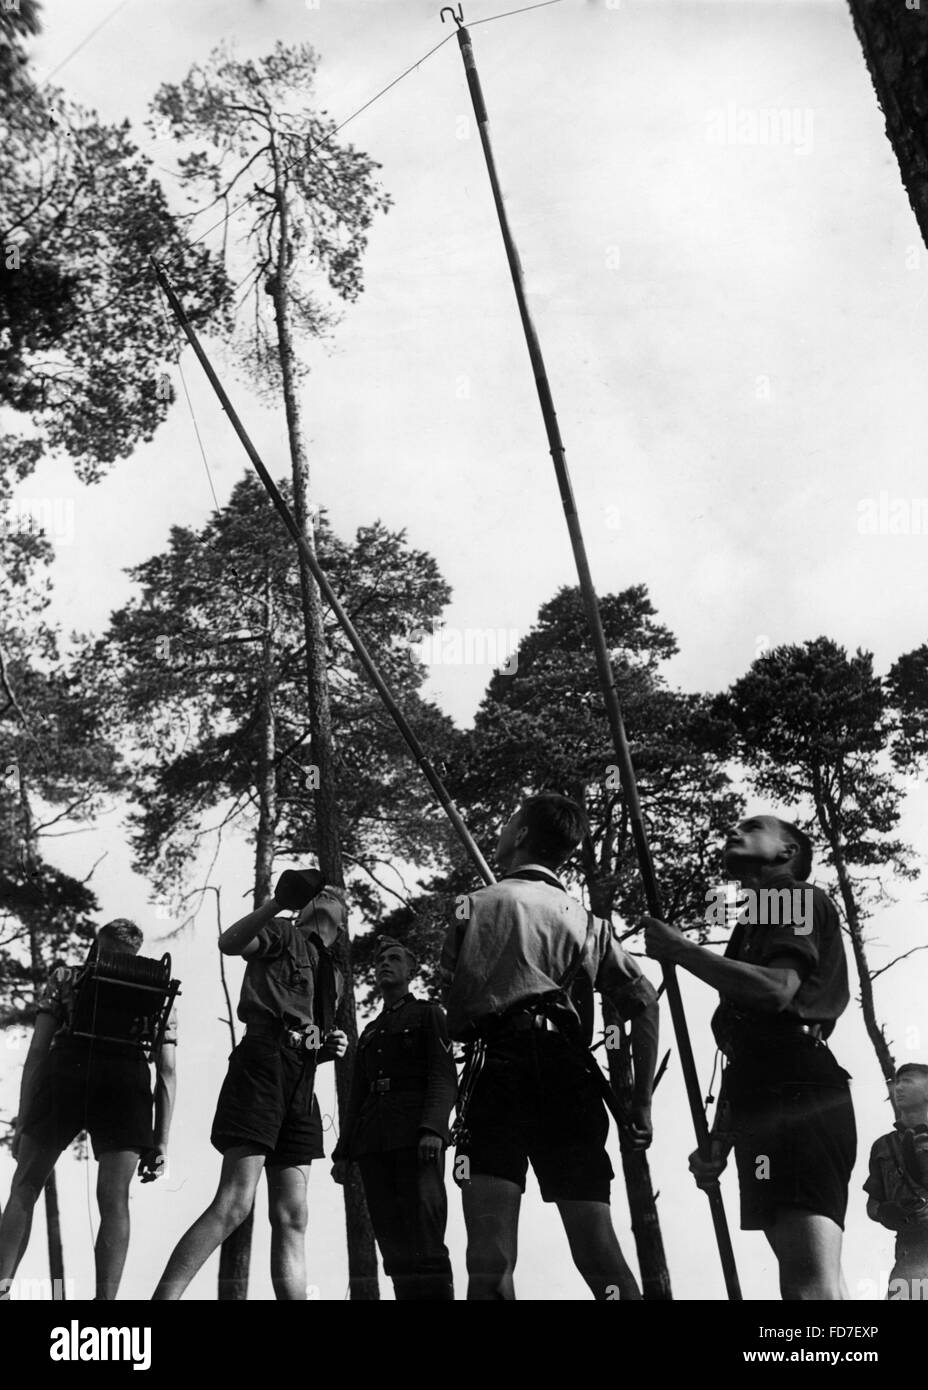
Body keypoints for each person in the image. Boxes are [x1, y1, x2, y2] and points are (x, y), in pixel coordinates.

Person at [441, 792, 659, 1301]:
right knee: (598, 1250)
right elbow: (644, 1004)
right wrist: (641, 1101)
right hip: (569, 1075)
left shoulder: (472, 905)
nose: (499, 832)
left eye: (507, 822)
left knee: (490, 1258)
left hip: (496, 1069)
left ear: (519, 836)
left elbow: (454, 1011)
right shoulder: (589, 923)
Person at [645, 813, 856, 1300]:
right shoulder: (757, 917)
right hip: (768, 1088)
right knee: (807, 1276)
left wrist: (682, 951)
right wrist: (720, 1142)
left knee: (808, 1285)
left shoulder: (794, 897)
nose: (734, 831)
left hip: (796, 1089)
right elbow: (751, 1047)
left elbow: (777, 992)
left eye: (754, 827)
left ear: (788, 853)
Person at [152, 871, 349, 1301]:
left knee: (294, 1215)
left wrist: (329, 1044)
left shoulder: (334, 975)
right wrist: (277, 903)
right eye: (321, 895)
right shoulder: (281, 931)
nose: (327, 898)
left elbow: (309, 1030)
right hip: (262, 1064)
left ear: (342, 918)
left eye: (333, 896)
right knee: (235, 1203)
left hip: (302, 1080)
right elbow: (230, 943)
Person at [0, 918, 178, 1301]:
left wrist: (24, 1117)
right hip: (127, 1082)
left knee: (26, 1186)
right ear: (136, 951)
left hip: (67, 1070)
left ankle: (0, 1290)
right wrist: (160, 1142)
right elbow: (166, 1070)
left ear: (98, 945)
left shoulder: (67, 977)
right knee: (114, 1200)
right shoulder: (157, 990)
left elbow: (36, 1052)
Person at [332, 936, 456, 1300]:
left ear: (410, 970)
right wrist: (344, 1152)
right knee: (393, 1248)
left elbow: (443, 1075)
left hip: (417, 1141)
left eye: (394, 958)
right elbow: (357, 1095)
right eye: (380, 960)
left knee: (426, 1243)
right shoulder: (370, 1031)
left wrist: (434, 1129)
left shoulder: (428, 1014)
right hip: (374, 1146)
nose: (385, 963)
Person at [864, 1062, 928, 1300]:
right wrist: (886, 1211)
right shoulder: (883, 1146)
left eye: (908, 1082)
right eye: (896, 1083)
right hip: (909, 1257)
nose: (898, 1088)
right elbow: (873, 1205)